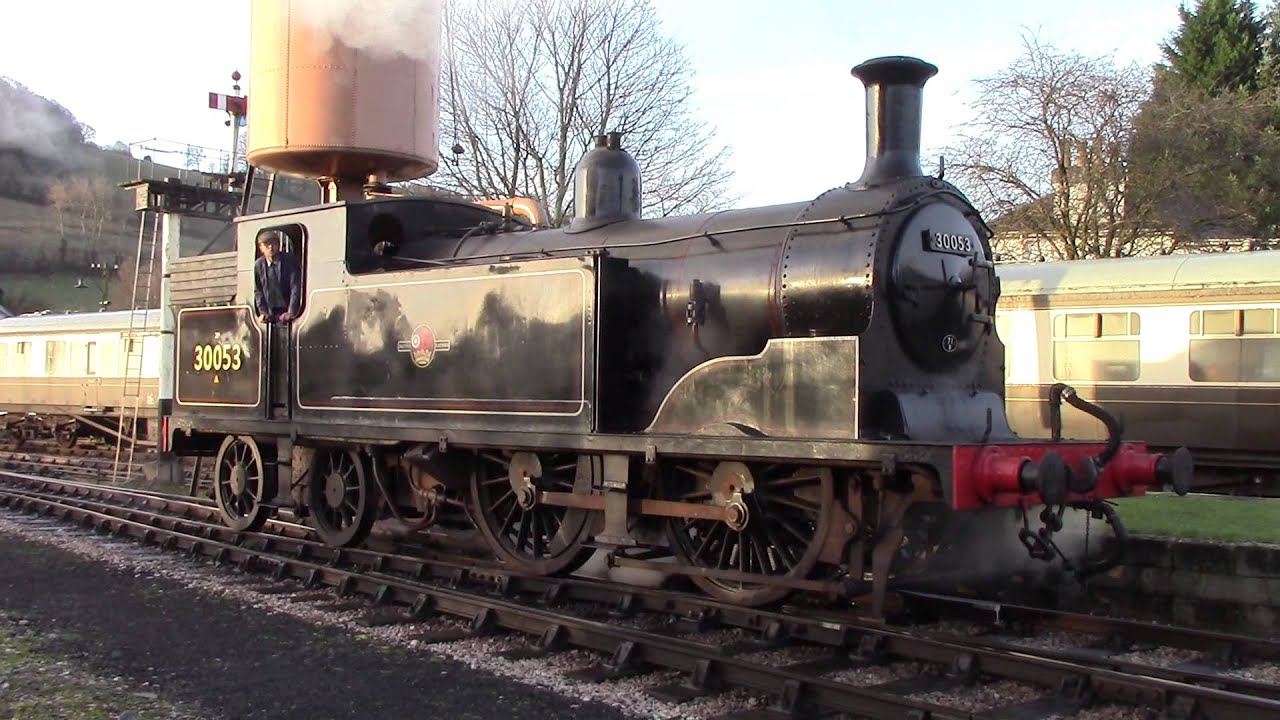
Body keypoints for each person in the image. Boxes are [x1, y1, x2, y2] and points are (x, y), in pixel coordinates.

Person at [253, 231, 301, 324]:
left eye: (273, 243)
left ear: (278, 245)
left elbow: (295, 286)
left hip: (287, 309)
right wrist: (263, 312)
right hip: (271, 311)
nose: (270, 247)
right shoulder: (258, 265)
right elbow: (258, 291)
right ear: (261, 248)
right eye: (267, 245)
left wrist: (291, 311)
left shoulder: (289, 260)